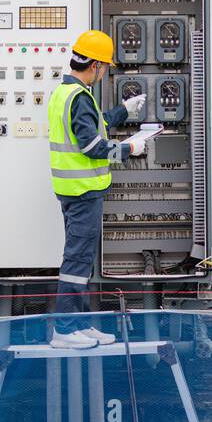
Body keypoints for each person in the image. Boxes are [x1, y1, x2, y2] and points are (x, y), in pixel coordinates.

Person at [46, 29, 147, 348]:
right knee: (77, 260)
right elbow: (91, 145)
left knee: (82, 258)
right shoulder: (79, 97)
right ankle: (64, 330)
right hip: (83, 192)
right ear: (95, 66)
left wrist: (123, 112)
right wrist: (131, 150)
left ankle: (79, 324)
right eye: (105, 67)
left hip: (73, 190)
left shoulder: (66, 93)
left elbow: (94, 123)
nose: (104, 72)